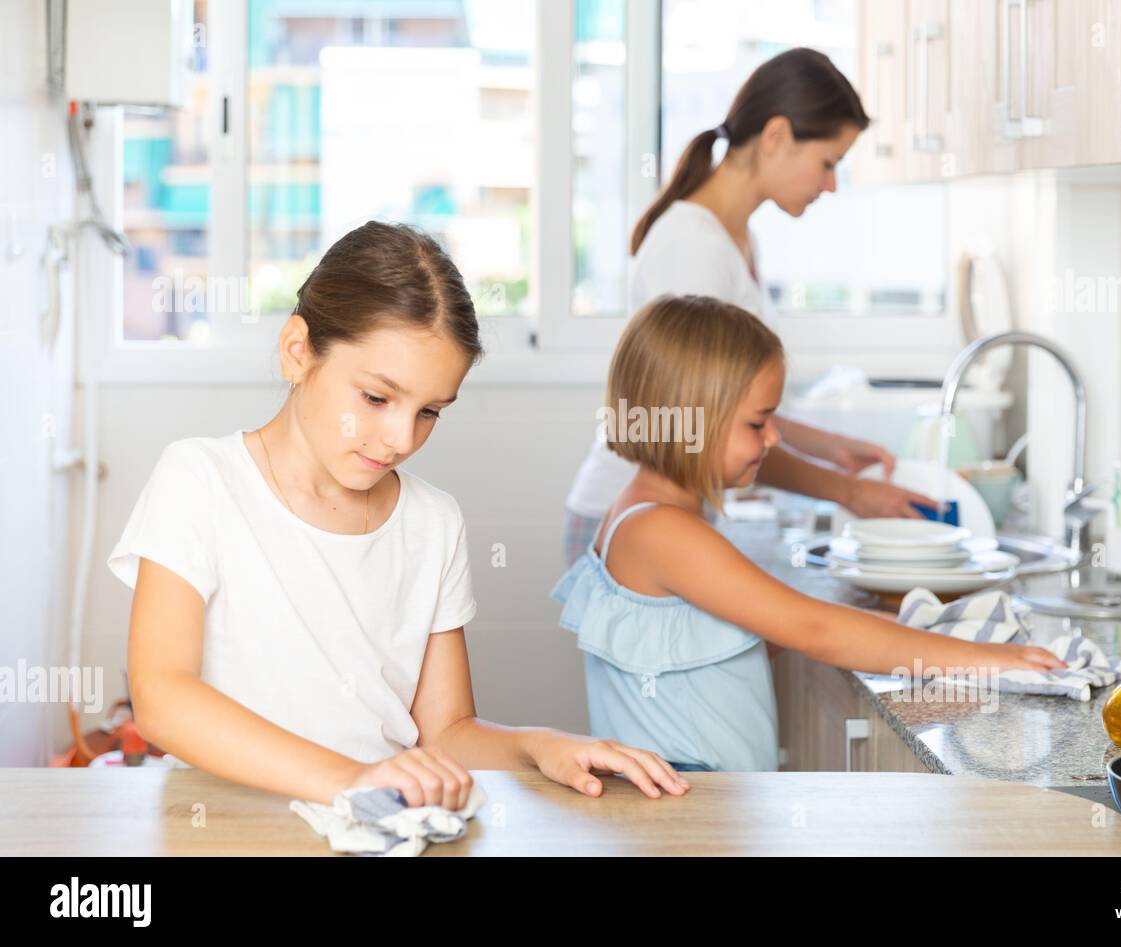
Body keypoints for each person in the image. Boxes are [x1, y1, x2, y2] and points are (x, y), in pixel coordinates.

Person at [110, 221, 689, 807]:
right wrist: (348, 780)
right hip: (224, 832)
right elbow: (163, 697)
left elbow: (447, 734)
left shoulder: (432, 522)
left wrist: (541, 745)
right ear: (296, 352)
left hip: (374, 832)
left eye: (430, 411)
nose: (399, 438)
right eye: (377, 398)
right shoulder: (200, 482)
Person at [552, 296, 1064, 772]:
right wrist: (985, 660)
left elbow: (723, 637)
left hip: (697, 804)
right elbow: (811, 630)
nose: (773, 439)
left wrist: (890, 627)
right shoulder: (662, 530)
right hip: (689, 810)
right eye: (758, 424)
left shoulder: (642, 514)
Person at [563, 47, 934, 566]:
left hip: (669, 522)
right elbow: (704, 427)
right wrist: (848, 492)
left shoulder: (735, 239)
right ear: (777, 136)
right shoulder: (693, 247)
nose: (831, 185)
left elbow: (733, 407)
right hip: (627, 520)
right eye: (829, 163)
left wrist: (829, 447)